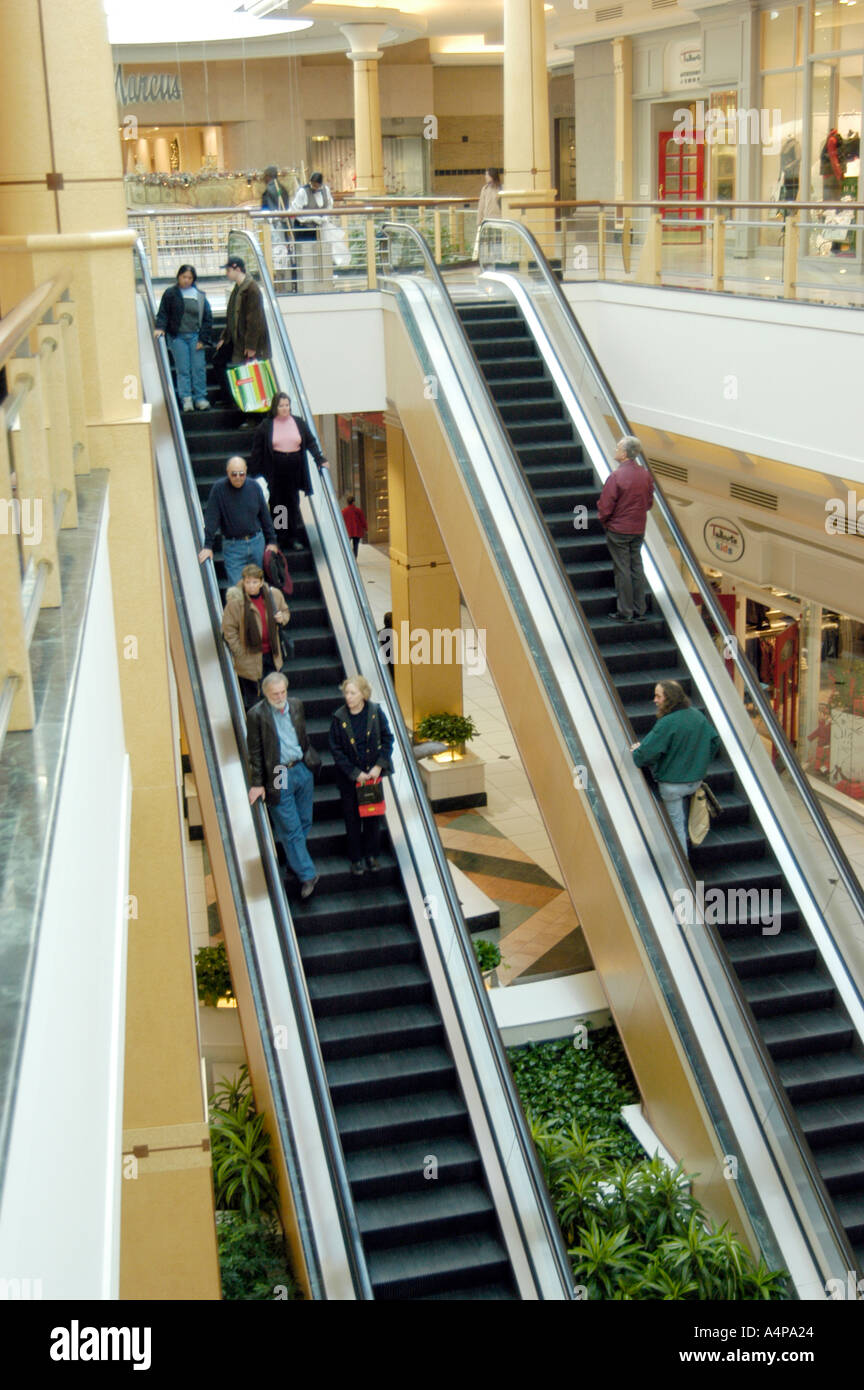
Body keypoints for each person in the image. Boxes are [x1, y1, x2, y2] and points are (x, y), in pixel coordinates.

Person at [247, 672, 320, 898]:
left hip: (301, 766)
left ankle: (294, 861)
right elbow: (256, 751)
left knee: (305, 820)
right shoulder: (257, 715)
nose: (280, 697)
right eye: (274, 694)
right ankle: (308, 874)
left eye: (283, 692)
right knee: (290, 827)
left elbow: (301, 735)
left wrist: (309, 763)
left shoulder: (296, 705)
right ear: (265, 694)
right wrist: (258, 783)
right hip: (278, 771)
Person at [631, 680, 721, 853]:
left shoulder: (667, 723)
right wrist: (700, 763)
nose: (654, 700)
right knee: (683, 816)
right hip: (695, 781)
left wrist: (637, 752)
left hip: (672, 786)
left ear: (669, 699)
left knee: (676, 825)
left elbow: (645, 754)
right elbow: (714, 741)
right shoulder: (697, 715)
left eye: (658, 696)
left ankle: (682, 865)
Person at [328, 675, 394, 876]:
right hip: (350, 780)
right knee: (352, 819)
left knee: (373, 817)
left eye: (352, 693)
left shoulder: (375, 712)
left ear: (363, 694)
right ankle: (356, 859)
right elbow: (336, 749)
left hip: (372, 777)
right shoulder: (339, 718)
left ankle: (371, 856)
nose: (348, 697)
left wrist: (377, 767)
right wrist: (356, 773)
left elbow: (387, 739)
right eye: (346, 693)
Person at [249, 392, 329, 553]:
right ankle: (281, 536)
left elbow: (311, 442)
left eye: (287, 405)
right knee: (279, 504)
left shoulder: (298, 422)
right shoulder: (266, 425)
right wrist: (254, 475)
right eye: (281, 406)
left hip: (295, 469)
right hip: (275, 469)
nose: (285, 408)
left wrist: (319, 459)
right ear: (275, 407)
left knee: (293, 503)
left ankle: (292, 536)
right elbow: (257, 452)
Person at [597, 435, 654, 622]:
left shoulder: (617, 476)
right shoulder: (645, 474)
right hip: (638, 528)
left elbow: (606, 506)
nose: (616, 450)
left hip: (619, 529)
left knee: (622, 570)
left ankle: (625, 612)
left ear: (624, 453)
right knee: (636, 567)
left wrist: (605, 521)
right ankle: (640, 610)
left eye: (618, 448)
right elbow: (649, 503)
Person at [199, 456, 279, 588]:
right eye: (234, 474)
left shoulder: (254, 487)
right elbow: (211, 518)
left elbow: (264, 515)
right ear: (227, 472)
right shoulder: (219, 489)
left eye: (241, 474)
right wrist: (208, 546)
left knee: (257, 588)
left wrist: (272, 541)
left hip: (256, 543)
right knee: (237, 591)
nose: (238, 477)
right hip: (233, 546)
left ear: (246, 471)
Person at [222, 563, 291, 711]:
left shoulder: (273, 595)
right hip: (249, 658)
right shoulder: (236, 602)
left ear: (261, 582)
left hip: (272, 654)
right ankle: (259, 730)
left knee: (274, 693)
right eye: (248, 582)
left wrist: (282, 618)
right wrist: (239, 651)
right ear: (243, 582)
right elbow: (229, 630)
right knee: (254, 699)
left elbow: (286, 612)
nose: (251, 586)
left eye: (254, 582)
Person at [212, 257, 270, 411]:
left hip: (245, 341)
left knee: (249, 378)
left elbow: (255, 319)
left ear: (237, 269)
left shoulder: (251, 290)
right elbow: (232, 317)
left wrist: (251, 345)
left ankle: (250, 412)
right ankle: (230, 399)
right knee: (219, 362)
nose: (227, 273)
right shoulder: (239, 288)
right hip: (235, 338)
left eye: (228, 270)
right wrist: (224, 337)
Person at [154, 264, 212, 412]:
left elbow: (207, 318)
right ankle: (186, 399)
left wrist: (202, 339)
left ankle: (200, 397)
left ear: (193, 279)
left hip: (195, 336)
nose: (186, 280)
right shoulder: (170, 293)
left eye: (190, 278)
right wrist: (160, 327)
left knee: (198, 368)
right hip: (177, 337)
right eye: (184, 277)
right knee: (183, 369)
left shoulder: (199, 295)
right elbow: (163, 313)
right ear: (178, 277)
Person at [289, 172, 333, 283]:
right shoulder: (303, 192)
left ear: (320, 184)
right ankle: (303, 281)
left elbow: (329, 206)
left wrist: (324, 218)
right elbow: (296, 211)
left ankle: (316, 280)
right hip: (302, 227)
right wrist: (312, 218)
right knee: (304, 255)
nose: (314, 187)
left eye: (316, 185)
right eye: (312, 185)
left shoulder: (325, 191)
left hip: (317, 228)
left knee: (316, 253)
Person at [474, 168, 502, 261]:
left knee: (498, 239)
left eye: (487, 175)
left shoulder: (501, 188)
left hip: (499, 218)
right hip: (487, 219)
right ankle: (488, 258)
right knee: (488, 239)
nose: (485, 177)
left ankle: (498, 257)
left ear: (492, 176)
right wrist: (479, 220)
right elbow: (481, 205)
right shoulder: (485, 189)